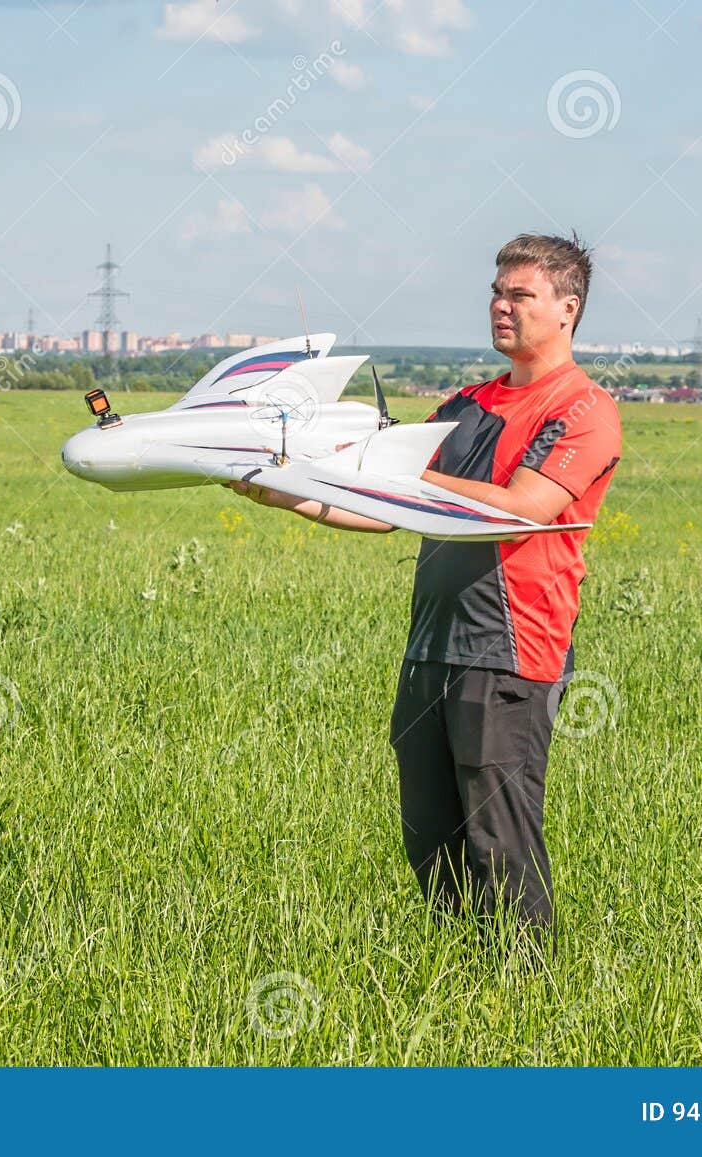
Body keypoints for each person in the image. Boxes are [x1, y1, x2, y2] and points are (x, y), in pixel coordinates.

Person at [226, 232, 622, 959]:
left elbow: (522, 506)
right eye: (497, 291)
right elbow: (382, 509)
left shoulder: (583, 408)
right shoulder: (462, 404)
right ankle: (463, 977)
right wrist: (290, 494)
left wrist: (396, 471)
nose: (501, 306)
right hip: (431, 645)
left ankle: (528, 989)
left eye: (520, 295)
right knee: (430, 838)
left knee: (499, 838)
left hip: (510, 650)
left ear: (567, 308)